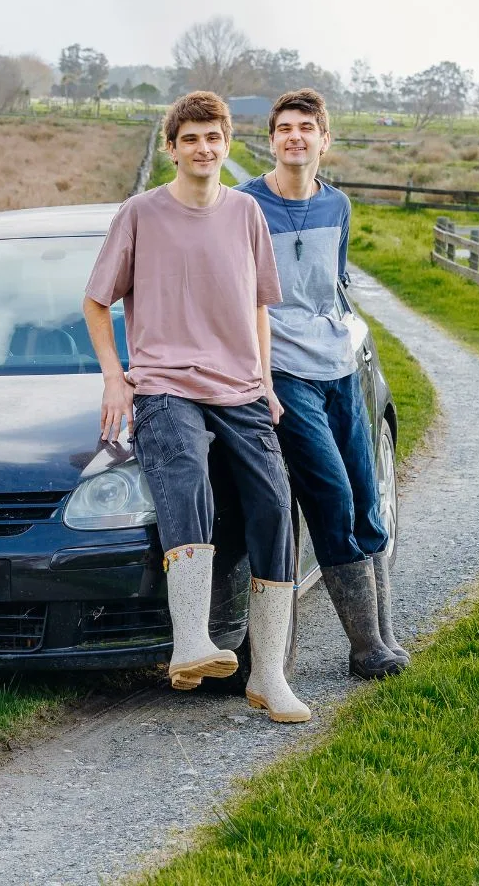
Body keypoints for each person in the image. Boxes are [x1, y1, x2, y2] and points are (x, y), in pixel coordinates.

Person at [81, 90, 310, 723]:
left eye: (213, 138)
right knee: (184, 475)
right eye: (191, 139)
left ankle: (269, 674)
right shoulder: (139, 214)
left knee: (274, 507)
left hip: (240, 387)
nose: (203, 149)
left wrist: (264, 380)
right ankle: (190, 641)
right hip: (164, 383)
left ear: (227, 144)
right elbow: (96, 301)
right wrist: (115, 378)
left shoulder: (246, 214)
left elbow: (259, 305)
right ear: (172, 149)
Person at [237, 88, 409, 679]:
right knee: (332, 496)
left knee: (364, 494)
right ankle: (365, 647)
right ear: (271, 140)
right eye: (285, 128)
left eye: (306, 128)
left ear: (324, 140)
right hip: (285, 371)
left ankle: (382, 634)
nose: (296, 137)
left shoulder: (338, 205)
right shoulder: (245, 206)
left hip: (338, 368)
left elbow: (335, 284)